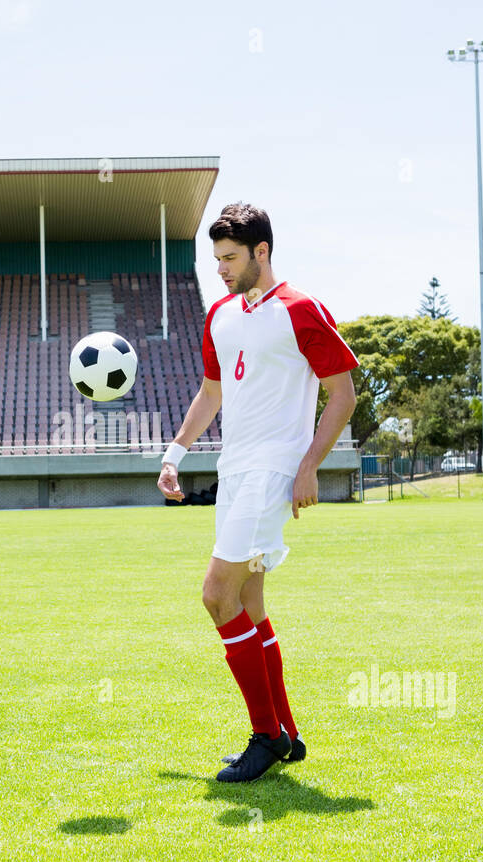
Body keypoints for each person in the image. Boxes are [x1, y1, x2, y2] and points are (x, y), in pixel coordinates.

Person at [157, 202, 359, 782]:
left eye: (230, 258)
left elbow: (342, 393)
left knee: (216, 595)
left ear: (261, 252)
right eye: (215, 258)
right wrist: (175, 455)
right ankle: (286, 734)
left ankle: (265, 735)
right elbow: (210, 393)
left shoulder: (301, 310)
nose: (220, 269)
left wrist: (308, 465)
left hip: (274, 472)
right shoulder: (220, 314)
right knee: (248, 604)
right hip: (235, 469)